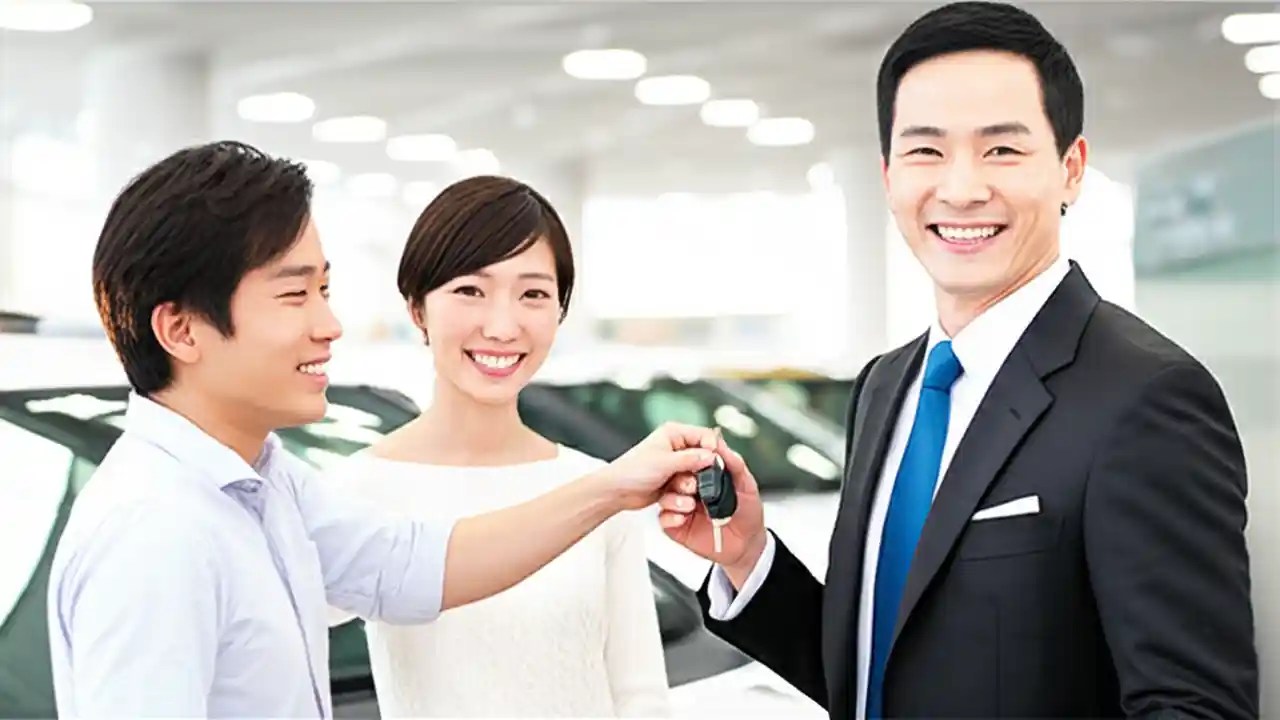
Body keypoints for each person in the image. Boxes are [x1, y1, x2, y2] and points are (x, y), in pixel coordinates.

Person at [658, 2, 1259, 718]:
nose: (963, 187)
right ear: (887, 176)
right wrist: (747, 555)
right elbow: (882, 675)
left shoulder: (1146, 397)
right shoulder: (887, 386)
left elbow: (1195, 708)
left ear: (1071, 170)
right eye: (926, 150)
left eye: (1002, 149)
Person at [46, 141, 715, 718]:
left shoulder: (267, 485)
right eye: (293, 295)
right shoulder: (154, 532)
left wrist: (613, 488)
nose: (329, 325)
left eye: (324, 291)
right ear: (182, 329)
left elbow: (416, 566)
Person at [325, 175, 670, 717]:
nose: (503, 326)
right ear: (417, 309)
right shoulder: (356, 489)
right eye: (470, 291)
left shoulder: (601, 490)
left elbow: (641, 697)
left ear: (559, 311)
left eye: (533, 294)